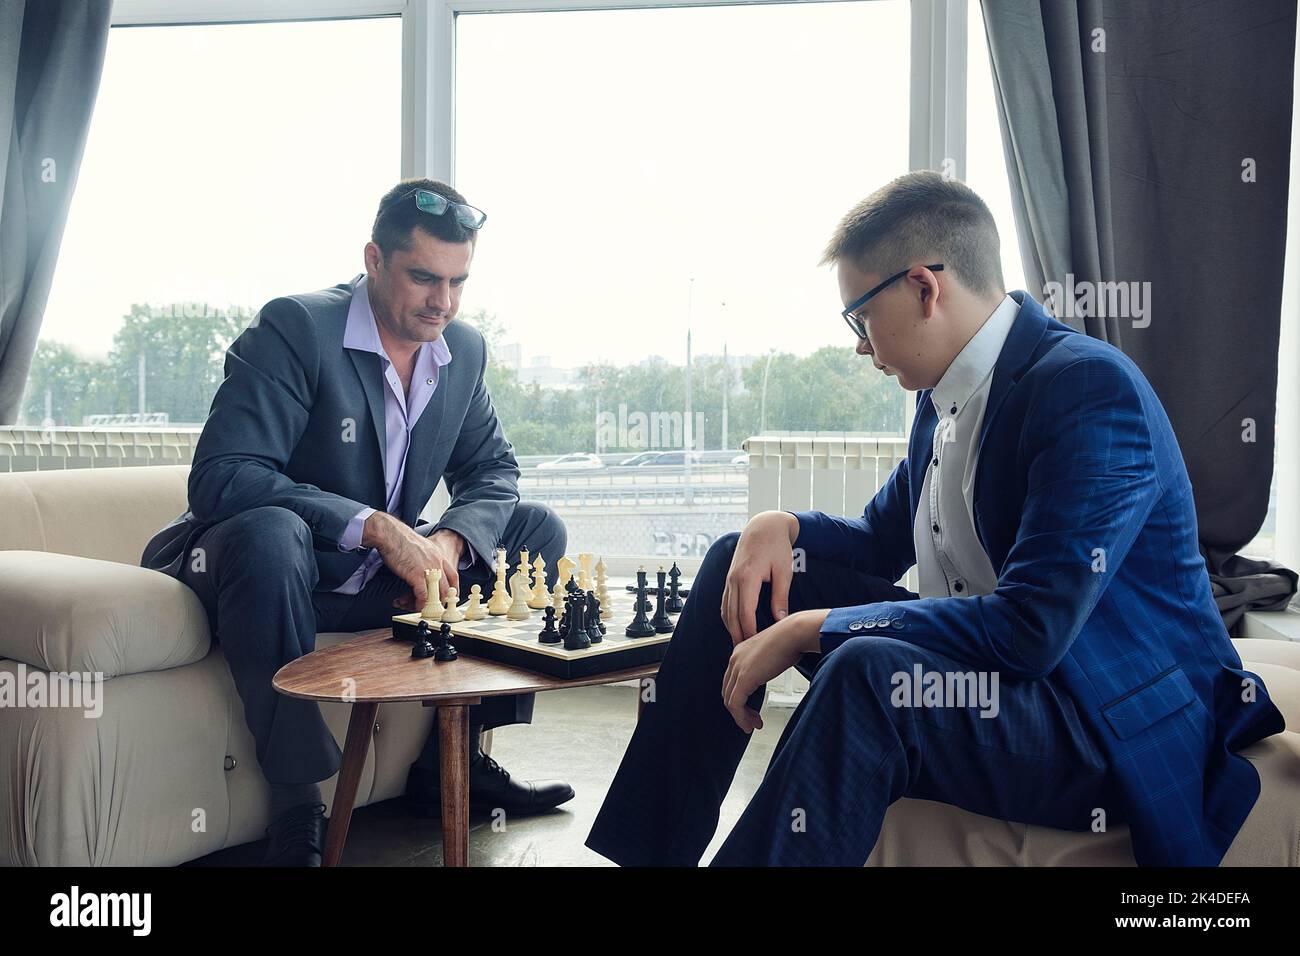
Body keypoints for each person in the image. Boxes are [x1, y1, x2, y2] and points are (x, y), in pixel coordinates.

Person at [585, 170, 1286, 867]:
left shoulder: (1087, 391)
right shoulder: (944, 394)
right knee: (739, 560)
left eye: (861, 318)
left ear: (924, 288)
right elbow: (880, 543)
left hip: (1090, 709)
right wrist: (783, 526)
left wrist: (815, 626)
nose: (860, 345)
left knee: (868, 674)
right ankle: (647, 856)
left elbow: (1030, 631)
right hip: (993, 672)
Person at [141, 179, 574, 866]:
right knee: (271, 531)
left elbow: (492, 472)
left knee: (534, 533)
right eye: (424, 278)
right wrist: (375, 526)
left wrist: (448, 540)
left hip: (377, 582)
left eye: (459, 282)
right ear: (374, 260)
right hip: (272, 571)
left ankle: (452, 764)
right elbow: (225, 473)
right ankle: (295, 803)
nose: (444, 302)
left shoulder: (461, 351)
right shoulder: (295, 327)